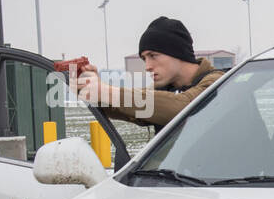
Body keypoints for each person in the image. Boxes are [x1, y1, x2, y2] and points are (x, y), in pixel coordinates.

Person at [77, 16, 224, 129]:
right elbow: (129, 108)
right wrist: (89, 89)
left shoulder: (220, 82)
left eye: (153, 55)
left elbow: (183, 107)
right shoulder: (165, 90)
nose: (147, 66)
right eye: (144, 58)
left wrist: (105, 91)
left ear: (177, 53)